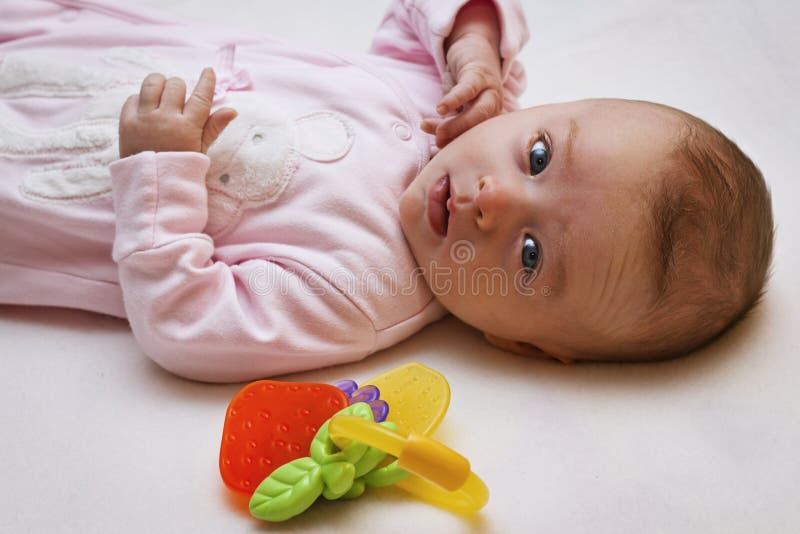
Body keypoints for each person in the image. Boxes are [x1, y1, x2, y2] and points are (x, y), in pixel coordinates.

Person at [0, 0, 772, 382]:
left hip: (29, 189)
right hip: (54, 38)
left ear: (527, 344)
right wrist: (473, 46)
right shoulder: (452, 102)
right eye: (538, 155)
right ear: (536, 112)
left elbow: (187, 327)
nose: (495, 201)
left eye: (532, 254)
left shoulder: (362, 292)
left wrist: (159, 173)